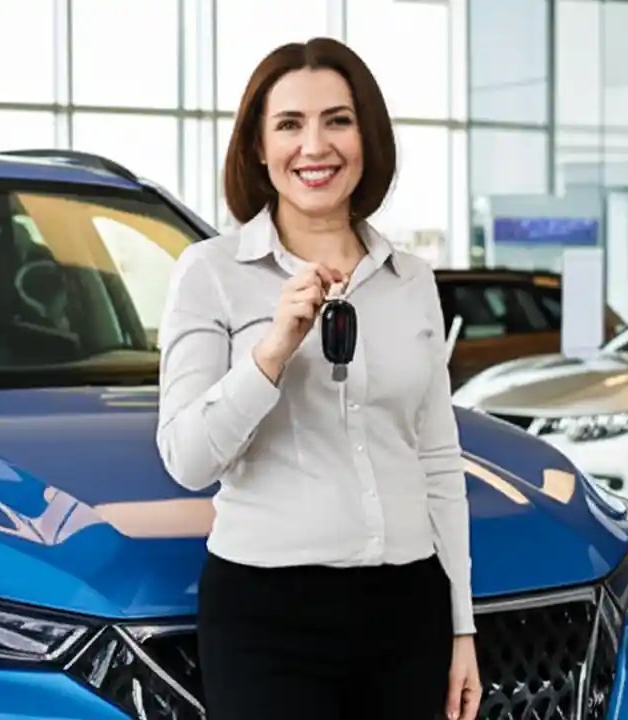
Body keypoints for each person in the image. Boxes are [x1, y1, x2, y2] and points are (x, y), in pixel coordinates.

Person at [155, 37, 481, 720]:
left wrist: (461, 629)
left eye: (338, 120)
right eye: (289, 125)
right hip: (268, 616)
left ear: (367, 137)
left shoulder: (412, 279)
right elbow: (187, 459)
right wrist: (273, 350)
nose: (315, 146)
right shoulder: (210, 273)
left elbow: (437, 460)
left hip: (408, 608)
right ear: (257, 147)